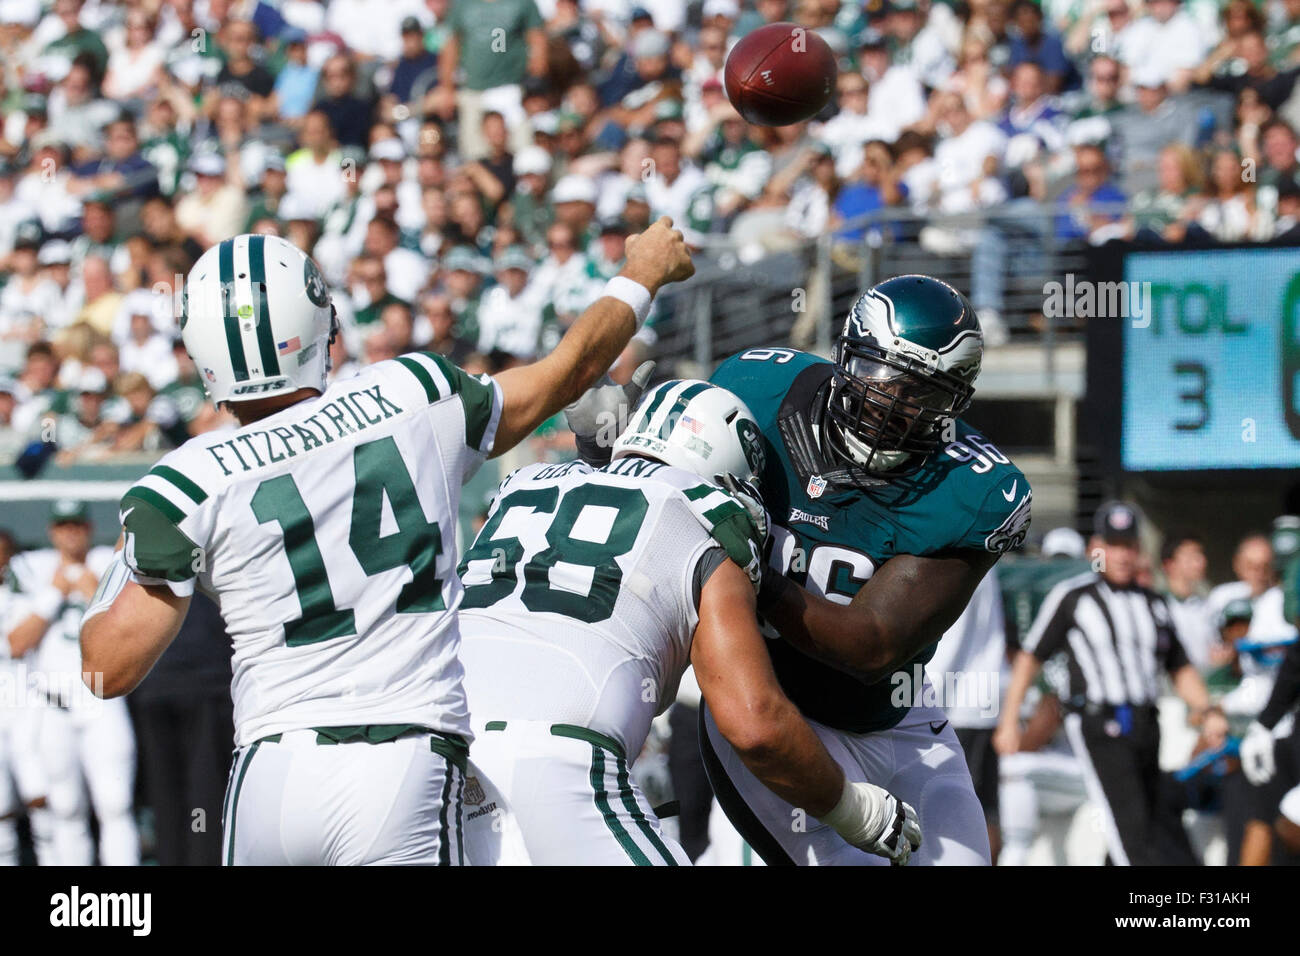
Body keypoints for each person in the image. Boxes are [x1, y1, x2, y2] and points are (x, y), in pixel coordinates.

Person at [78, 222, 694, 866]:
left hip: (270, 772)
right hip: (400, 765)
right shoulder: (411, 393)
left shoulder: (187, 481)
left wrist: (136, 546)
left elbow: (106, 668)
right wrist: (641, 273)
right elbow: (569, 372)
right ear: (321, 320)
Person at [568, 275, 1030, 865]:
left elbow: (871, 646)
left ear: (955, 402)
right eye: (879, 376)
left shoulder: (973, 490)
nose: (890, 404)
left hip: (899, 717)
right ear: (846, 356)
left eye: (920, 394)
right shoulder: (760, 389)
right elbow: (665, 485)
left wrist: (748, 561)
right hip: (774, 708)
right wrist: (610, 446)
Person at [458, 381, 920, 866]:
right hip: (558, 766)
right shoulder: (709, 519)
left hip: (432, 750)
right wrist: (855, 810)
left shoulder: (522, 485)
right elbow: (755, 724)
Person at [995, 501, 1229, 865]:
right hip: (1099, 723)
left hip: (1146, 724)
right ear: (1095, 549)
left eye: (1129, 545)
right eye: (1113, 545)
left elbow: (1179, 668)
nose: (1121, 555)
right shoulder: (1073, 597)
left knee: (1150, 819)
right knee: (1129, 825)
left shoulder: (1154, 604)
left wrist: (1207, 710)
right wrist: (1009, 721)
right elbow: (1030, 658)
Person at [7, 500, 140, 865]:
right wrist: (55, 594)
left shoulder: (106, 562)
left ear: (89, 527)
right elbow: (16, 643)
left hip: (101, 696)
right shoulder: (32, 568)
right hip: (53, 701)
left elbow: (131, 627)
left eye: (77, 525)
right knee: (64, 808)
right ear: (51, 531)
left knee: (116, 803)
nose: (70, 533)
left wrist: (92, 589)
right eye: (63, 526)